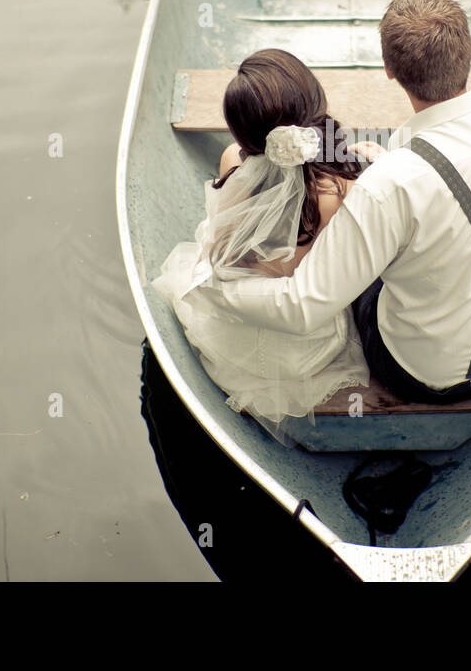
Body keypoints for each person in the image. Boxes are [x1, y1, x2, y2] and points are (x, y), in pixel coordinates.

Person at [204, 0, 471, 403]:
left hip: (421, 376)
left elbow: (301, 307)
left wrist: (218, 289)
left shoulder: (383, 186)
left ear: (389, 70)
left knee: (366, 254)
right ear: (469, 50)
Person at [152, 49, 370, 436]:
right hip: (305, 350)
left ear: (244, 135)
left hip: (235, 337)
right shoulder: (340, 193)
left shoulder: (231, 162)